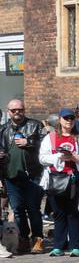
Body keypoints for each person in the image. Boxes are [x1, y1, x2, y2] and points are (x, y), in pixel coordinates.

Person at [39, 108, 79, 257]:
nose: (69, 121)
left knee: (74, 212)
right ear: (60, 120)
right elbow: (42, 158)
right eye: (66, 118)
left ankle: (75, 245)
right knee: (58, 213)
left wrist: (75, 158)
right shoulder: (50, 137)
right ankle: (58, 246)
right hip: (55, 178)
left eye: (71, 118)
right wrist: (58, 157)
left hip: (75, 178)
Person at [1, 99, 47, 253]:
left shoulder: (35, 125)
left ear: (24, 110)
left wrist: (29, 142)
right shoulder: (3, 129)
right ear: (8, 112)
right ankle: (23, 239)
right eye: (13, 110)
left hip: (32, 174)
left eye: (19, 109)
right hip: (11, 175)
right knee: (18, 209)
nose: (17, 112)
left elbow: (45, 145)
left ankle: (38, 239)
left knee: (33, 209)